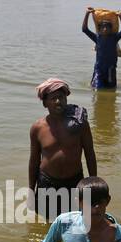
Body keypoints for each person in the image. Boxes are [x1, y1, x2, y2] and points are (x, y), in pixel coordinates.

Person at [29, 77, 96, 219]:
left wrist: (93, 182)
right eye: (53, 98)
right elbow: (34, 161)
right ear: (45, 103)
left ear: (66, 98)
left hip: (74, 182)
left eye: (61, 97)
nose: (58, 102)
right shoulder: (37, 128)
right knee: (46, 222)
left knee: (76, 222)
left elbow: (89, 153)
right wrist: (30, 189)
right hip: (47, 182)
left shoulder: (79, 124)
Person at [81, 7, 121, 90]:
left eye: (107, 27)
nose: (105, 29)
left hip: (111, 69)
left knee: (111, 89)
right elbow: (84, 29)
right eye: (103, 27)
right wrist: (87, 14)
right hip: (99, 69)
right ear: (99, 29)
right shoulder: (97, 38)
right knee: (97, 88)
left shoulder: (114, 38)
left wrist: (120, 16)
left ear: (111, 29)